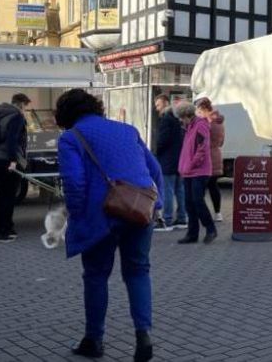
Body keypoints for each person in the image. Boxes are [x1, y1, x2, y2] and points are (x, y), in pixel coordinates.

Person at [56, 88, 162, 362]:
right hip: (139, 212)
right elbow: (156, 171)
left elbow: (74, 183)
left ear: (65, 114)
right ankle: (143, 335)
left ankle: (94, 339)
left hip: (101, 216)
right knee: (138, 272)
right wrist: (156, 206)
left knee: (96, 276)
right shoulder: (128, 130)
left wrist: (77, 217)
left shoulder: (71, 137)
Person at [0, 93, 30, 243]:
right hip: (5, 160)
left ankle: (8, 229)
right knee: (7, 198)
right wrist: (13, 161)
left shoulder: (0, 115)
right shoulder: (16, 117)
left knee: (3, 197)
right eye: (26, 107)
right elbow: (12, 140)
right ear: (21, 104)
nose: (25, 110)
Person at [175, 101, 216, 245]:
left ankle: (210, 229)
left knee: (197, 201)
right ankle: (192, 233)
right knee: (189, 203)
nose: (180, 120)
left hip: (199, 171)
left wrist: (191, 165)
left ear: (187, 115)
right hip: (189, 171)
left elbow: (202, 148)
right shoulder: (189, 128)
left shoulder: (201, 125)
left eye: (181, 117)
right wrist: (184, 167)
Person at [153, 94, 186, 230]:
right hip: (179, 160)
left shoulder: (166, 119)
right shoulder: (177, 119)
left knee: (167, 190)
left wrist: (156, 151)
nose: (157, 109)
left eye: (158, 105)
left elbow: (163, 141)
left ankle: (167, 219)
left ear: (166, 103)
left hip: (167, 160)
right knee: (180, 190)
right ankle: (182, 218)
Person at [196, 97, 225, 222]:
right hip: (216, 155)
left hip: (205, 157)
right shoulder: (219, 123)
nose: (197, 114)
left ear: (203, 109)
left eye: (199, 111)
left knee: (200, 188)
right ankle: (218, 213)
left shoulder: (206, 123)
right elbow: (222, 142)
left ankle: (201, 213)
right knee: (213, 186)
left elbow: (200, 142)